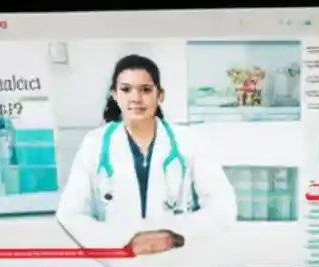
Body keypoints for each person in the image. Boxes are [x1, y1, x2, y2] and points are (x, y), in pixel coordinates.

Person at [56, 54, 236, 256]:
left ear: (160, 95)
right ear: (114, 95)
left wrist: (175, 234)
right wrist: (122, 240)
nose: (136, 98)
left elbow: (223, 206)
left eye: (146, 90)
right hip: (118, 261)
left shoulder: (189, 141)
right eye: (126, 90)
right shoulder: (94, 143)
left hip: (179, 258)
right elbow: (69, 213)